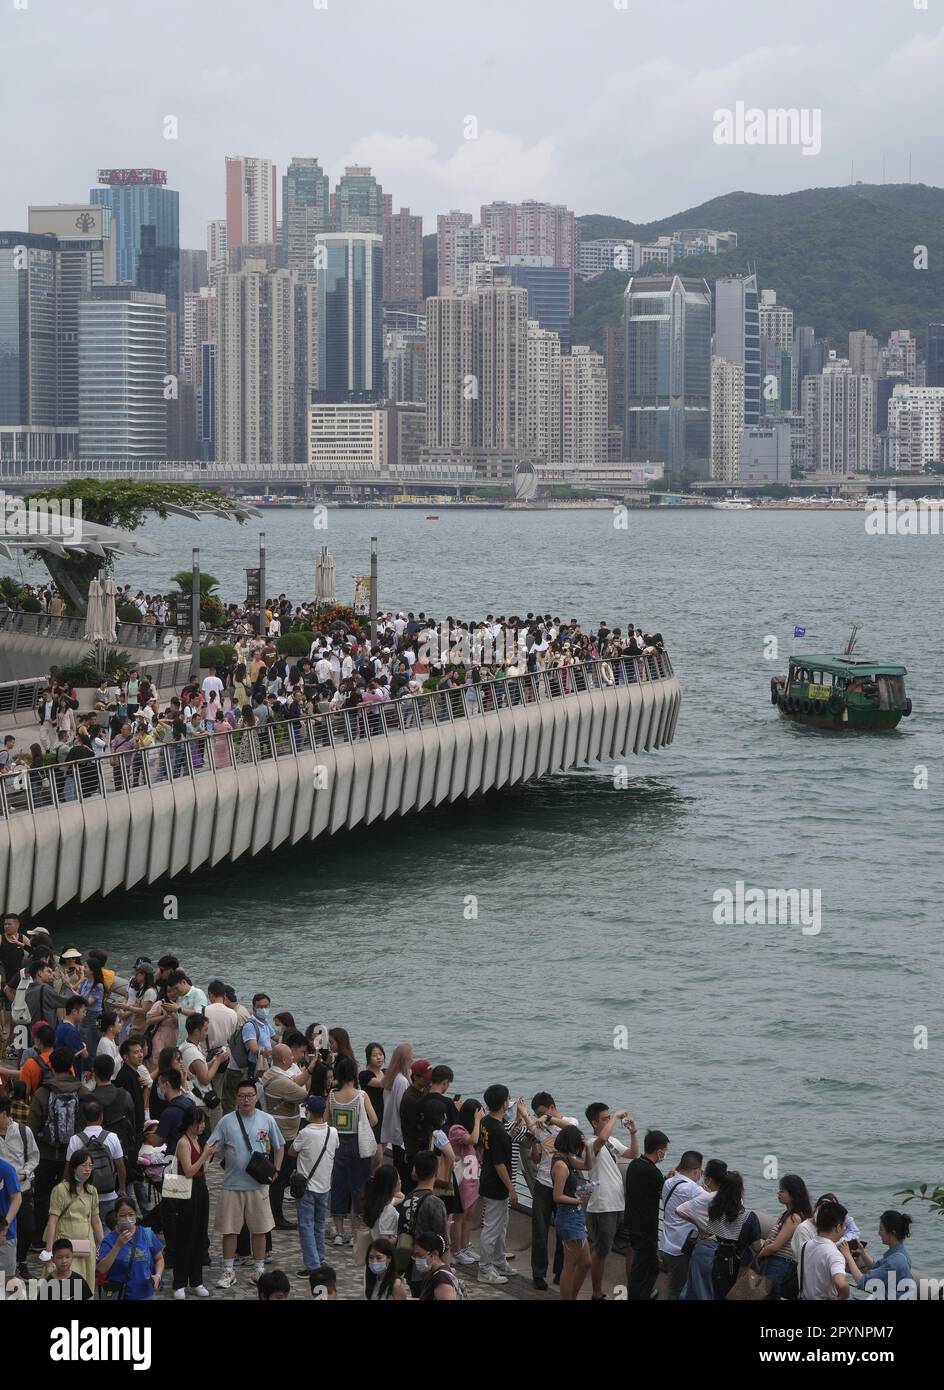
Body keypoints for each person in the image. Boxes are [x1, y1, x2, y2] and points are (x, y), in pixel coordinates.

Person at [208, 1079, 283, 1290]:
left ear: (256, 1096)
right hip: (232, 1185)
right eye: (241, 1096)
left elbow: (280, 1146)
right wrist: (202, 1162)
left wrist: (276, 1170)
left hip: (258, 1186)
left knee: (259, 1229)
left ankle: (259, 1270)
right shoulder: (226, 1122)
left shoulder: (267, 1120)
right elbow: (212, 1146)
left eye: (250, 1095)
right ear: (236, 1098)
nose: (246, 1099)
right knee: (229, 1230)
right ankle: (228, 1270)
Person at [27, 1045, 92, 1236]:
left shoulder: (42, 1093)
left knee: (42, 1197)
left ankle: (41, 1237)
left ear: (51, 1067)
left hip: (46, 1154)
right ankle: (69, 1234)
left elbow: (32, 1127)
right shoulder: (83, 1093)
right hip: (75, 1156)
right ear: (71, 1065)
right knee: (74, 1194)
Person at [678, 1169, 760, 1300]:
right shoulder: (749, 1218)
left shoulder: (714, 1209)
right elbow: (757, 1248)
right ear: (740, 1190)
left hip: (713, 1258)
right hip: (734, 1267)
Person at [584, 1101, 638, 1299]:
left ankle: (632, 1289)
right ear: (594, 1123)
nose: (608, 1121)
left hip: (619, 1203)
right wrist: (615, 1117)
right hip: (602, 1206)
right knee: (601, 1251)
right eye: (604, 1119)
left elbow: (633, 1154)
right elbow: (601, 1139)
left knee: (631, 1246)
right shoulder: (590, 1144)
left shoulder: (612, 1142)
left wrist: (633, 1133)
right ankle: (596, 1292)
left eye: (609, 1117)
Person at [164, 1106, 216, 1299]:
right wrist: (204, 1154)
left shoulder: (198, 1140)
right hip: (186, 1190)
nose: (202, 1126)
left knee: (200, 1235)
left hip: (200, 1189)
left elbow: (203, 1169)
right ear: (190, 1123)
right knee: (186, 1235)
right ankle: (179, 1282)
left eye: (203, 1122)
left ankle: (196, 1280)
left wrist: (208, 1155)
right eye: (199, 1122)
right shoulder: (183, 1142)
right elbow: (188, 1171)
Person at [477, 1085, 525, 1285]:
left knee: (500, 1225)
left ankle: (498, 1260)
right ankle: (485, 1269)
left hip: (488, 1179)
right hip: (496, 1185)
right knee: (491, 1228)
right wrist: (512, 1189)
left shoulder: (487, 1121)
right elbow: (499, 1163)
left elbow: (509, 1134)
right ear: (504, 1103)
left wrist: (520, 1118)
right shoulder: (497, 1130)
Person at [328, 1054, 377, 1244]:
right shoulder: (361, 1096)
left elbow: (326, 1120)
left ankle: (339, 1233)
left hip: (337, 1145)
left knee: (339, 1185)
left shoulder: (332, 1096)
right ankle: (356, 1233)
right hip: (359, 1145)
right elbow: (373, 1120)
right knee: (360, 1187)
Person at [40, 1148, 103, 1290]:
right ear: (74, 1167)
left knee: (85, 1282)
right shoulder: (61, 1190)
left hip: (87, 1244)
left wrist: (103, 1244)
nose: (88, 1169)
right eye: (84, 1165)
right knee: (65, 1282)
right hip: (65, 1244)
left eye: (90, 1166)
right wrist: (49, 1250)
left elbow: (96, 1219)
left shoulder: (92, 1191)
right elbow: (53, 1220)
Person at [290, 1094, 339, 1276]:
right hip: (325, 1186)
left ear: (308, 1111)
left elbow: (292, 1151)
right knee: (318, 1225)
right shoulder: (332, 1132)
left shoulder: (305, 1132)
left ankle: (313, 1266)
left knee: (306, 1226)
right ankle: (321, 1258)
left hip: (306, 1187)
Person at [623, 1128, 669, 1301]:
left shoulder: (635, 1164)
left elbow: (650, 1188)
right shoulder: (653, 1172)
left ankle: (644, 1294)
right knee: (643, 1269)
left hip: (633, 1222)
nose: (664, 1154)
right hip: (646, 1227)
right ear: (659, 1151)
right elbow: (663, 1193)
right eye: (664, 1151)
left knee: (649, 1267)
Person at [397, 1149, 450, 1295]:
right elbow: (444, 1242)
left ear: (415, 1171)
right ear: (436, 1172)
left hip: (410, 1264)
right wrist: (447, 1273)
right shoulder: (435, 1203)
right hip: (429, 1267)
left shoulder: (407, 1198)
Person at [64, 1099, 126, 1222]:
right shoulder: (112, 1137)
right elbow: (120, 1166)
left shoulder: (75, 1139)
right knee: (107, 1229)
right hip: (108, 1194)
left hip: (83, 1194)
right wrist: (122, 1188)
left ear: (84, 1118)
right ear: (101, 1116)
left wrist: (68, 1190)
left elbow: (68, 1169)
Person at [550, 1124, 593, 1300]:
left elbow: (588, 1166)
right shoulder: (561, 1165)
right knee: (570, 1265)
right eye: (578, 1145)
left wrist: (589, 1148)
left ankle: (572, 1296)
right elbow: (557, 1196)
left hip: (575, 1216)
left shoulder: (566, 1158)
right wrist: (579, 1200)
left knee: (585, 1262)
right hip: (568, 1216)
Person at [754, 1173, 812, 1298]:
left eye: (782, 1190)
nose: (779, 1193)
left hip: (778, 1264)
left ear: (793, 1193)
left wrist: (758, 1255)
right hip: (774, 1263)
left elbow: (775, 1247)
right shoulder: (787, 1214)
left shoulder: (794, 1217)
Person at [97, 1195, 165, 1300]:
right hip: (121, 1294)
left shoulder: (147, 1234)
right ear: (116, 1216)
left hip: (146, 1294)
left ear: (136, 1215)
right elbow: (102, 1268)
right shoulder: (109, 1240)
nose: (127, 1218)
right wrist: (118, 1246)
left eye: (130, 1214)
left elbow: (159, 1258)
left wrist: (158, 1276)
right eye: (122, 1215)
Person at [0, 1094, 38, 1277]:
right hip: (2, 1194)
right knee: (5, 1230)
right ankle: (9, 1264)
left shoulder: (23, 1131)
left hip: (22, 1187)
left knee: (29, 1228)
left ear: (5, 1114)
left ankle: (20, 1260)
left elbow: (33, 1157)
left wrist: (24, 1173)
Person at [658, 1149, 704, 1300]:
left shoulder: (668, 1182)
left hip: (665, 1245)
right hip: (681, 1250)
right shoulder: (693, 1189)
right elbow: (715, 1203)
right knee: (676, 1291)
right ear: (696, 1170)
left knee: (673, 1287)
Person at [448, 1097, 483, 1265]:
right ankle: (456, 1250)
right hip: (461, 1180)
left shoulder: (470, 1129)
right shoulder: (457, 1129)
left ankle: (464, 1247)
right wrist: (477, 1121)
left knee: (469, 1217)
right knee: (459, 1217)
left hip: (473, 1179)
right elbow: (473, 1140)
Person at [799, 1199, 852, 1300]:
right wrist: (843, 1297)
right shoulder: (834, 1254)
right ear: (838, 1227)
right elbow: (841, 1284)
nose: (845, 1230)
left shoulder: (805, 1245)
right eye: (844, 1226)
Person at [852, 1210, 913, 1299]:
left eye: (881, 1229)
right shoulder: (899, 1253)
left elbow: (863, 1282)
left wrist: (848, 1257)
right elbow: (876, 1267)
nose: (879, 1233)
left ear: (892, 1232)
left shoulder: (895, 1262)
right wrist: (863, 1253)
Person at [379, 1040, 413, 1181]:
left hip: (391, 1128)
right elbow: (403, 1108)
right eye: (411, 1057)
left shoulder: (391, 1077)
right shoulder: (402, 1081)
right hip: (400, 1132)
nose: (413, 1060)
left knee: (397, 1165)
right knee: (403, 1170)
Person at [413, 1230, 464, 1300]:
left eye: (419, 1255)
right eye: (415, 1255)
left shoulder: (441, 1279)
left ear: (435, 1254)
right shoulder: (435, 1273)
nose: (417, 1259)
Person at [364, 1235, 408, 1301]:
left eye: (379, 1258)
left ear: (389, 1259)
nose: (374, 1262)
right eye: (371, 1257)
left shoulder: (395, 1285)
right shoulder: (371, 1279)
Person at [0, 1152, 22, 1284]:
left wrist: (5, 1225)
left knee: (6, 1280)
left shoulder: (6, 1169)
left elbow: (17, 1198)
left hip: (5, 1234)